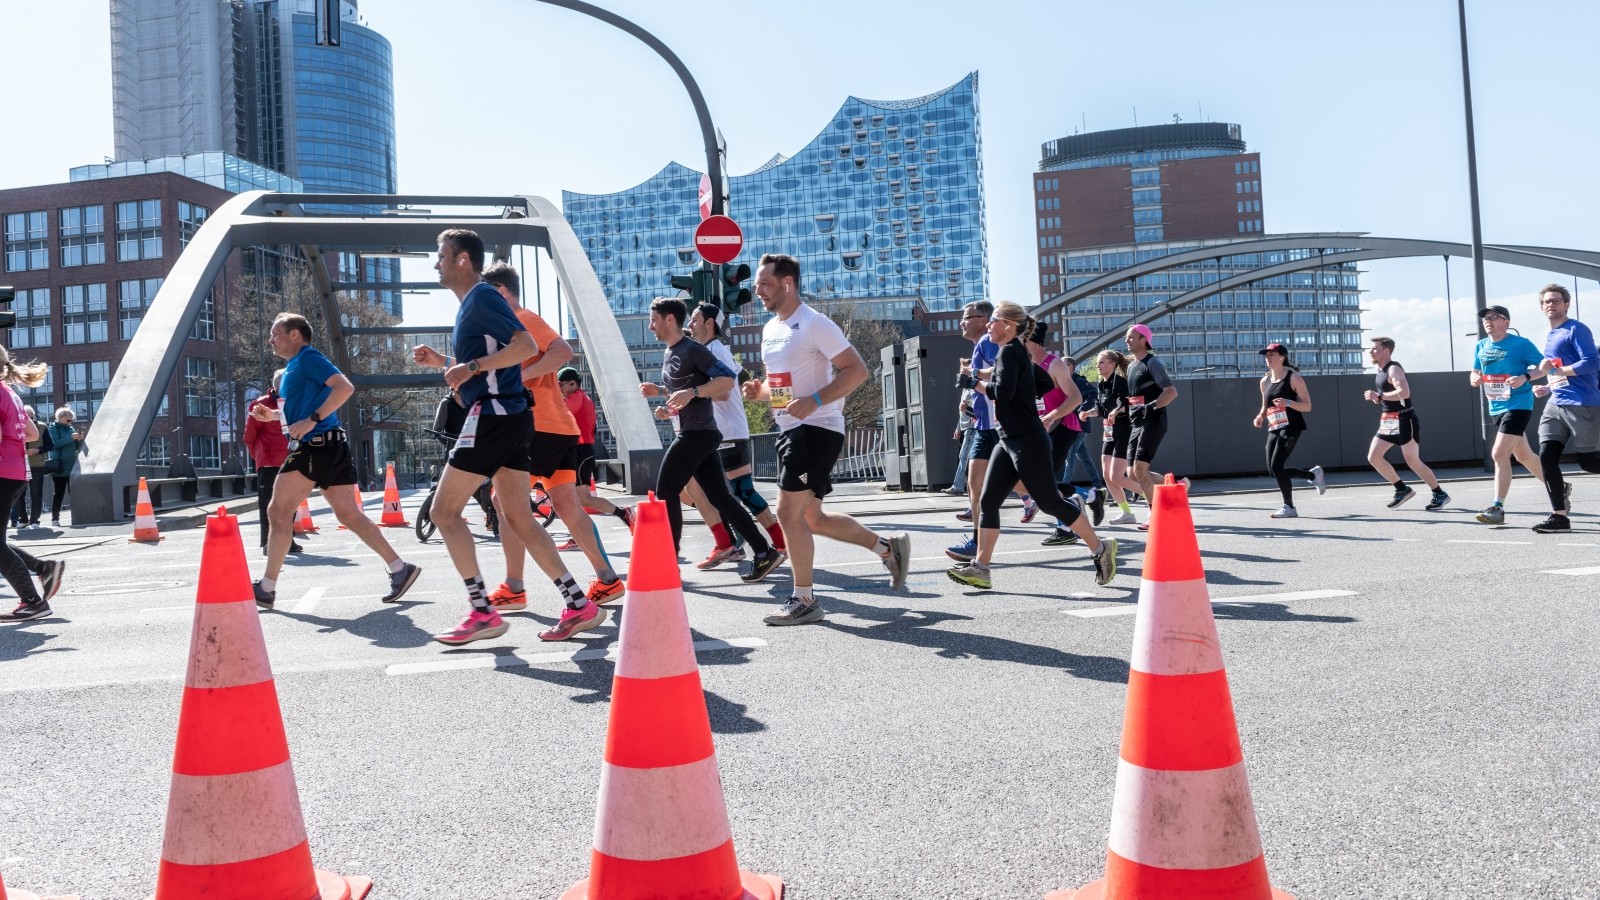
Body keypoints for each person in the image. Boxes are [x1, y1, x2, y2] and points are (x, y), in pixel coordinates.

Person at [411, 228, 604, 645]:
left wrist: (471, 367)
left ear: (463, 259)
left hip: (494, 416)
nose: (435, 263)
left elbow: (523, 346)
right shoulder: (472, 305)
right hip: (511, 415)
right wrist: (448, 363)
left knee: (444, 513)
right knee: (516, 516)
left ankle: (482, 612)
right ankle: (578, 604)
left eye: (441, 255)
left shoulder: (482, 296)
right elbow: (495, 364)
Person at [742, 253, 910, 625]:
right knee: (812, 518)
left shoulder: (815, 324)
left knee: (787, 512)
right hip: (790, 429)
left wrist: (816, 400)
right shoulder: (771, 329)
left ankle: (804, 599)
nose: (758, 291)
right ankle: (887, 548)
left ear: (787, 283)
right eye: (757, 284)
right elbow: (784, 389)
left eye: (765, 284)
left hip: (818, 428)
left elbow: (858, 370)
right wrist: (762, 392)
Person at [478, 263, 627, 622]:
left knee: (505, 502)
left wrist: (519, 377)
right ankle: (607, 580)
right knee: (567, 506)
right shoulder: (510, 325)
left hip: (539, 427)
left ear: (500, 292)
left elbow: (562, 352)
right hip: (559, 428)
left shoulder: (521, 317)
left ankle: (514, 586)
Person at [250, 313, 421, 611]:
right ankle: (399, 568)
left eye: (275, 333)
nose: (270, 339)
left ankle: (267, 587)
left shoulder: (308, 358)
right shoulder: (294, 368)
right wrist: (275, 416)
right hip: (331, 445)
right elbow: (304, 410)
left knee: (278, 510)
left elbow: (345, 387)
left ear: (294, 335)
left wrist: (311, 419)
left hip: (316, 447)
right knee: (349, 516)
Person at [946, 303, 1117, 590]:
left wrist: (972, 382)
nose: (989, 325)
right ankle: (981, 568)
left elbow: (1003, 392)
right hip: (1008, 438)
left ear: (1008, 326)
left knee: (1050, 502)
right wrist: (994, 379)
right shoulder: (1016, 353)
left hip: (1027, 439)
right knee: (988, 500)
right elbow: (1041, 383)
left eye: (994, 321)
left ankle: (1101, 548)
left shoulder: (1011, 351)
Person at [639, 297, 783, 578]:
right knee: (722, 498)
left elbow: (727, 381)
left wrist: (692, 393)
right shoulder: (672, 353)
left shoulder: (694, 350)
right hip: (700, 434)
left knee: (666, 491)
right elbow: (686, 391)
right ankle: (765, 552)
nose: (650, 326)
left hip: (698, 435)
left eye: (653, 320)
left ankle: (668, 562)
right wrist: (664, 396)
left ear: (670, 319)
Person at [679, 302, 786, 569]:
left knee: (743, 491)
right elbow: (741, 377)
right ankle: (728, 541)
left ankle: (779, 543)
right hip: (715, 433)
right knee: (695, 489)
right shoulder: (712, 351)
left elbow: (725, 392)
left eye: (694, 320)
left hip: (728, 432)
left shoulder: (715, 351)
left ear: (709, 323)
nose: (690, 325)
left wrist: (692, 395)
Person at [1528, 284, 1600, 533]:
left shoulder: (1576, 329)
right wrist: (1548, 386)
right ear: (1541, 307)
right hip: (1555, 404)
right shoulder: (1551, 334)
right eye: (1547, 301)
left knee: (1589, 463)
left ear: (1566, 304)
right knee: (1547, 458)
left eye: (1556, 301)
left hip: (1582, 404)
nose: (1551, 305)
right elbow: (1556, 369)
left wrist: (1555, 371)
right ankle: (1560, 517)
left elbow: (1591, 362)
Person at [0, 348, 66, 620]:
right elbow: (31, 432)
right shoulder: (10, 393)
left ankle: (33, 601)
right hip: (14, 472)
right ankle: (42, 569)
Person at [1469, 305, 1548, 525]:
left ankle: (1497, 508)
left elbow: (1544, 367)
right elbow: (1475, 370)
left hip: (1519, 404)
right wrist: (1474, 378)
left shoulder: (1521, 344)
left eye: (1494, 317)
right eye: (1486, 318)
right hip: (1496, 407)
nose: (1488, 321)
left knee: (1498, 453)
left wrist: (1525, 376)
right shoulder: (1481, 345)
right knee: (1524, 456)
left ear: (1506, 322)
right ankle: (1558, 487)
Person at [1363, 336, 1448, 510]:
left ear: (1386, 351)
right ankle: (1402, 489)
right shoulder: (1380, 371)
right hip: (1388, 420)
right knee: (1374, 457)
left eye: (1375, 348)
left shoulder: (1394, 369)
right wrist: (1378, 399)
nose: (1371, 351)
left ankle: (1439, 493)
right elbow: (1389, 397)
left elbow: (1404, 392)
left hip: (1404, 419)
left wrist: (1379, 396)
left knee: (1412, 461)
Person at [1023, 323, 1086, 546]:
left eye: (1024, 339)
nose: (1020, 344)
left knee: (1047, 480)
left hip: (1064, 425)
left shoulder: (1055, 364)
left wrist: (1052, 416)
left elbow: (1076, 398)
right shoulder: (1026, 364)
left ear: (1035, 342)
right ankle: (1090, 496)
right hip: (1042, 429)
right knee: (1037, 480)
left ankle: (1066, 527)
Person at [1252, 342, 1327, 518]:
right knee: (1273, 470)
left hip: (1292, 426)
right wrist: (1260, 416)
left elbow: (1307, 406)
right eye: (1266, 355)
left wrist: (1288, 403)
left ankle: (1289, 507)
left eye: (1271, 354)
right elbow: (1265, 405)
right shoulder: (1265, 380)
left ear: (1282, 357)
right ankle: (1312, 475)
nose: (1267, 358)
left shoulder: (1294, 378)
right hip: (1274, 427)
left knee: (1277, 466)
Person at [557, 366, 635, 531]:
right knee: (578, 499)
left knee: (583, 499)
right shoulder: (582, 397)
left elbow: (562, 410)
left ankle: (622, 514)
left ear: (572, 384)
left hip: (581, 452)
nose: (559, 390)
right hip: (580, 452)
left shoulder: (577, 397)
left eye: (560, 385)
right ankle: (620, 515)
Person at [1123, 324, 1182, 529]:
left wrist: (1149, 407)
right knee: (1132, 473)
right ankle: (1174, 487)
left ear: (1143, 340)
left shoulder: (1152, 363)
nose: (1127, 340)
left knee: (1141, 468)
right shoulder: (1131, 366)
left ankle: (1154, 514)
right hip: (1136, 423)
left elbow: (1171, 392)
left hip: (1153, 421)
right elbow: (1132, 399)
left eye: (1131, 337)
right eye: (1126, 337)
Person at [243, 370, 303, 554]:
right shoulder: (262, 405)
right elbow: (249, 437)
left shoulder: (294, 404)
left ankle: (288, 541)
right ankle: (267, 542)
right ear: (277, 386)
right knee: (269, 504)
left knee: (290, 502)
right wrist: (260, 458)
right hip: (269, 462)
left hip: (291, 460)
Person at [1079, 350, 1140, 525]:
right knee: (1107, 475)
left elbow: (1130, 402)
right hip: (1109, 433)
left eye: (1101, 362)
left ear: (1112, 364)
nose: (1097, 366)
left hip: (1124, 431)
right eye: (1098, 363)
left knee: (1117, 477)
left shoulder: (1121, 383)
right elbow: (1101, 409)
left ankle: (1156, 497)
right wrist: (1088, 413)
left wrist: (1118, 409)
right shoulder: (1101, 385)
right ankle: (1127, 513)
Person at [44, 407, 86, 527]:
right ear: (61, 418)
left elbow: (78, 447)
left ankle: (77, 516)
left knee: (74, 493)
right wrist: (71, 438)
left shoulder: (70, 428)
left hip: (73, 465)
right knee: (59, 493)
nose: (70, 423)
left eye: (72, 421)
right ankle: (55, 518)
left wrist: (80, 440)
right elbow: (55, 444)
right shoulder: (53, 428)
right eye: (68, 420)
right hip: (60, 466)